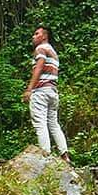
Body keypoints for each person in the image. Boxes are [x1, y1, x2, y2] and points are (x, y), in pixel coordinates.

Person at [22, 25, 69, 159]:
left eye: (36, 34)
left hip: (41, 92)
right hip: (53, 91)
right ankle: (65, 155)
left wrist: (29, 89)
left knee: (40, 123)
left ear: (44, 36)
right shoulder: (54, 52)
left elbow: (39, 66)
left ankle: (45, 155)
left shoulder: (40, 48)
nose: (33, 36)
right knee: (53, 124)